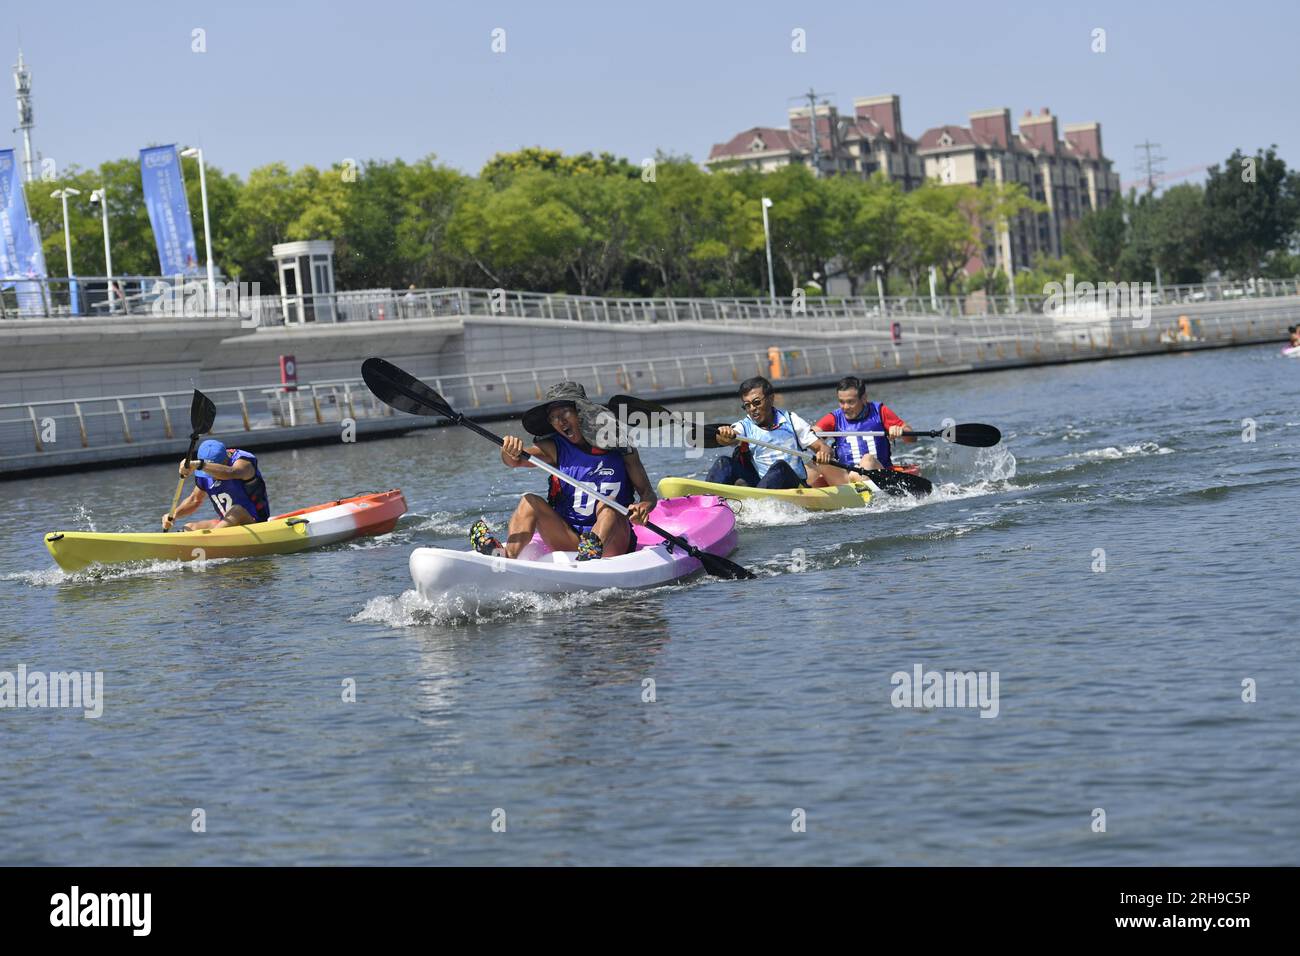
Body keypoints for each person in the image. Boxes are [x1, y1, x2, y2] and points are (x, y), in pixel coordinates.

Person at [469, 382, 657, 561]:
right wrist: (508, 450)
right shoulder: (556, 448)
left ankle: (591, 554)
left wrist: (642, 508)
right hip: (570, 539)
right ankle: (505, 556)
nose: (559, 421)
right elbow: (516, 460)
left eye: (565, 412)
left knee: (608, 504)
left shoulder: (622, 449)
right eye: (553, 417)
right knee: (529, 501)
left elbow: (647, 494)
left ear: (582, 413)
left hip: (616, 541)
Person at [706, 376, 835, 489]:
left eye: (756, 403)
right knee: (723, 462)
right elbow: (728, 439)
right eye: (747, 405)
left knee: (780, 467)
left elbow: (822, 447)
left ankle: (756, 503)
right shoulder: (744, 426)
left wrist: (824, 453)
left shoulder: (792, 421)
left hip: (794, 485)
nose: (752, 409)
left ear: (771, 399)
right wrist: (724, 435)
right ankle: (705, 501)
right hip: (762, 484)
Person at [808, 376, 915, 487]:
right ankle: (798, 486)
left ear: (864, 398)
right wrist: (822, 449)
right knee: (819, 459)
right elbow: (810, 435)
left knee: (867, 459)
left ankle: (857, 479)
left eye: (850, 402)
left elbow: (912, 438)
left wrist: (900, 430)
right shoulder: (834, 418)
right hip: (845, 480)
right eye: (841, 402)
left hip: (879, 478)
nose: (845, 407)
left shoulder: (880, 412)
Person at [163, 439, 271, 531]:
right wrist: (173, 514)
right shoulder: (204, 472)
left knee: (236, 510)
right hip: (226, 525)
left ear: (225, 460)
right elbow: (194, 500)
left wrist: (200, 465)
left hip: (255, 524)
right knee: (189, 527)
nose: (211, 476)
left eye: (211, 470)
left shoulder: (244, 464)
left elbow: (231, 472)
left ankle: (212, 541)